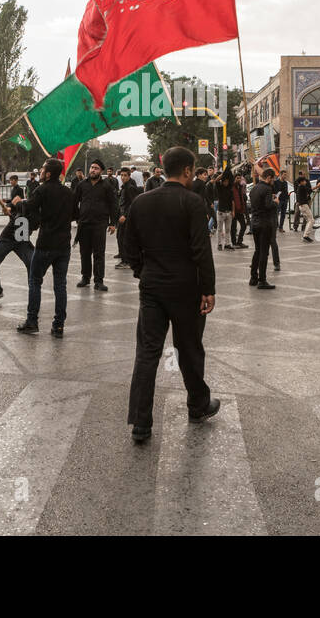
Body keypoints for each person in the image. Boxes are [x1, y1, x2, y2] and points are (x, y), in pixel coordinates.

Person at [122, 146, 218, 443]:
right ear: (188, 171)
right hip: (186, 287)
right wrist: (208, 289)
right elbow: (202, 251)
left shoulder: (141, 202)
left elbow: (128, 248)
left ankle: (141, 423)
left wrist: (143, 271)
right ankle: (198, 405)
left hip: (152, 288)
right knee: (189, 349)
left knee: (147, 353)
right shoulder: (192, 202)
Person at [18, 157, 73, 337]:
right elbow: (75, 214)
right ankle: (58, 326)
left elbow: (29, 208)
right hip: (64, 245)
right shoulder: (68, 192)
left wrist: (18, 203)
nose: (40, 172)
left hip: (46, 244)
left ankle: (32, 321)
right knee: (60, 285)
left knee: (35, 281)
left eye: (42, 169)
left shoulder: (41, 190)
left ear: (48, 174)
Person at [73, 160, 118, 292]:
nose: (93, 170)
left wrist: (112, 223)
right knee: (84, 252)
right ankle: (85, 277)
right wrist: (77, 217)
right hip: (84, 223)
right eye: (92, 167)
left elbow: (113, 205)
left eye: (96, 168)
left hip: (100, 224)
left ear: (101, 171)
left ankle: (99, 281)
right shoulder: (82, 185)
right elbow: (74, 201)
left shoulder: (107, 186)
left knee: (99, 253)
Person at [0, 194, 36, 307]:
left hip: (22, 239)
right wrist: (8, 208)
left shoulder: (42, 210)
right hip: (7, 237)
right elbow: (14, 201)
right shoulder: (24, 203)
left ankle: (34, 294)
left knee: (33, 264)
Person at [248, 166, 278, 289]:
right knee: (264, 252)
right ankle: (262, 280)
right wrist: (275, 202)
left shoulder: (254, 189)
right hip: (264, 224)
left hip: (254, 223)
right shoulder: (267, 189)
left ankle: (253, 277)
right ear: (269, 178)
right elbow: (267, 205)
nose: (273, 181)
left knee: (257, 250)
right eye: (273, 179)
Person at [115, 167, 141, 269]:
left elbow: (132, 203)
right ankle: (124, 257)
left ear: (129, 176)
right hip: (122, 216)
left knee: (123, 239)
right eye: (121, 175)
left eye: (125, 175)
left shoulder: (130, 187)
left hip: (126, 217)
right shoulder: (125, 186)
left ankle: (126, 261)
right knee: (120, 237)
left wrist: (125, 216)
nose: (123, 177)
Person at [293, 170, 314, 241]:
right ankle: (305, 235)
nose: (305, 182)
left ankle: (305, 235)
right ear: (301, 182)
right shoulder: (301, 187)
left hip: (302, 205)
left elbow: (309, 190)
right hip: (304, 205)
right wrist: (318, 185)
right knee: (311, 220)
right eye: (304, 181)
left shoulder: (301, 187)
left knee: (309, 220)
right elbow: (311, 189)